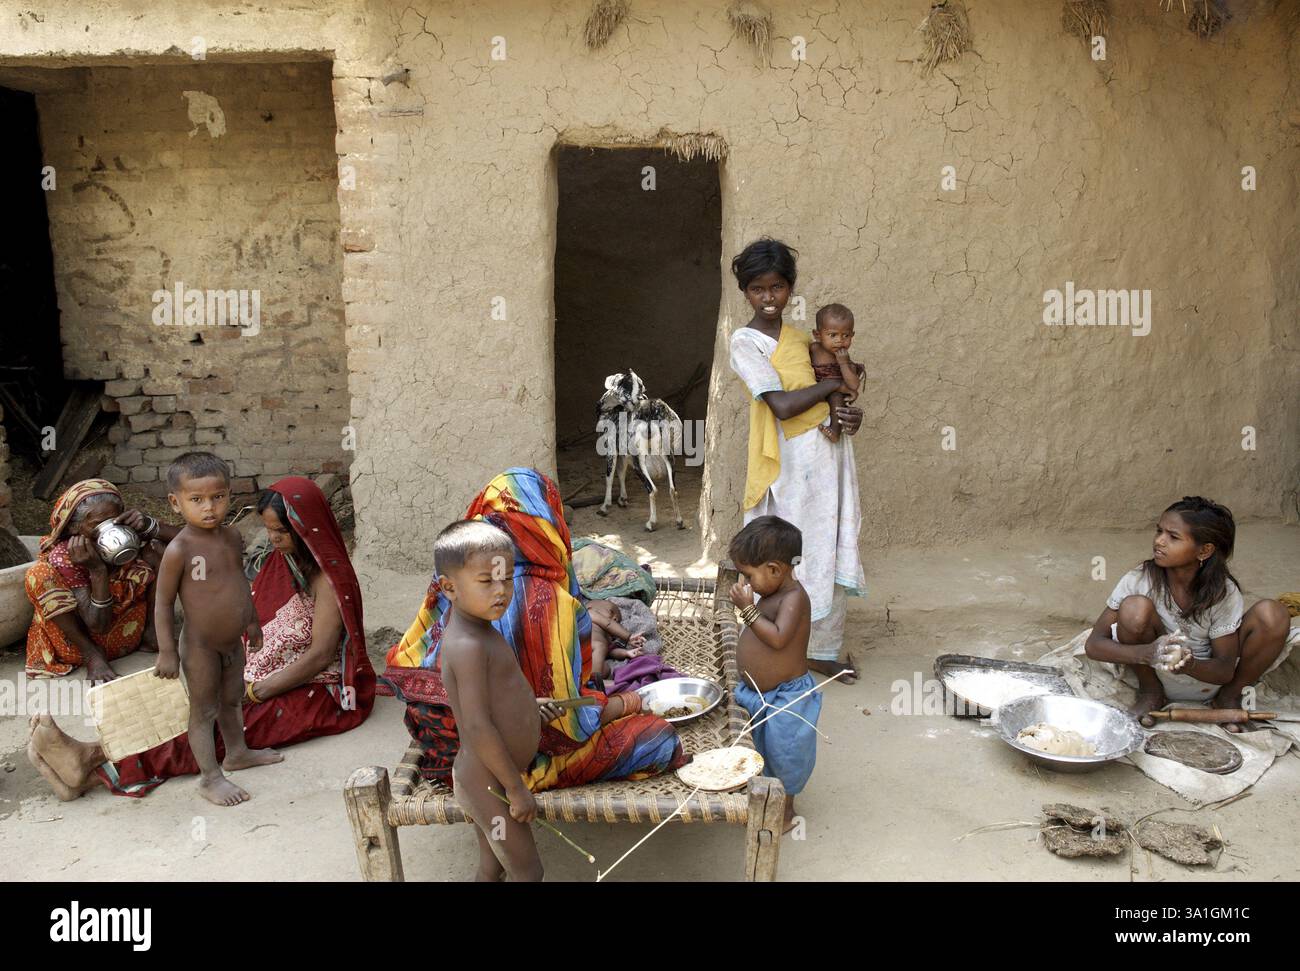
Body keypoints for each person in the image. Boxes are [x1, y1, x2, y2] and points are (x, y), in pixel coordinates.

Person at [27, 475, 376, 799]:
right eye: (269, 531)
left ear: (306, 529)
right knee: (193, 704)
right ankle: (92, 762)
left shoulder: (330, 581)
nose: (273, 540)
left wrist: (256, 690)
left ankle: (91, 763)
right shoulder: (286, 559)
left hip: (319, 689)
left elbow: (319, 655)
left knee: (224, 724)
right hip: (264, 670)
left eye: (282, 532)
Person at [384, 467, 685, 791]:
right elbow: (569, 728)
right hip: (507, 764)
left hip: (443, 748)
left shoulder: (454, 580)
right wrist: (626, 703)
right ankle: (526, 780)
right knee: (658, 739)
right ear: (548, 522)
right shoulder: (545, 601)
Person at [728, 237, 867, 684]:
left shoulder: (805, 340)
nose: (769, 298)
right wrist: (830, 392)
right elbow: (782, 405)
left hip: (829, 458)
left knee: (826, 545)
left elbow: (842, 384)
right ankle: (779, 646)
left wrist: (847, 412)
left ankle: (820, 650)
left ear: (790, 288)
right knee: (787, 552)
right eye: (757, 289)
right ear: (745, 292)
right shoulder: (744, 342)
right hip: (787, 467)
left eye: (777, 287)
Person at [1083, 496, 1293, 731]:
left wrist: (1189, 665)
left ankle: (1229, 698)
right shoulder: (1139, 579)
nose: (1159, 541)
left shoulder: (1223, 592)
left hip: (1209, 677)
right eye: (1159, 531)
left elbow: (1224, 670)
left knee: (1274, 613)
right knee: (1134, 608)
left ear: (1204, 550)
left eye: (1173, 537)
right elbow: (1093, 645)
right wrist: (1146, 653)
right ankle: (1150, 692)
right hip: (1154, 672)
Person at [154, 452, 282, 805]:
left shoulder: (232, 537)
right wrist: (167, 651)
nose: (209, 507)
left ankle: (237, 753)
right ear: (175, 503)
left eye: (218, 497)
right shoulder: (179, 549)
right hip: (200, 646)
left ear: (229, 495)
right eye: (196, 500)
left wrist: (253, 620)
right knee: (204, 709)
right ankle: (210, 778)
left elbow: (238, 582)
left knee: (232, 699)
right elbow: (163, 603)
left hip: (233, 642)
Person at [436, 519, 549, 882]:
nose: (500, 590)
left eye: (506, 578)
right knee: (528, 871)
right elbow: (476, 724)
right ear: (449, 587)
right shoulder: (467, 645)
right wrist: (515, 789)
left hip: (491, 781)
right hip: (490, 787)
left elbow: (498, 696)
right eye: (486, 581)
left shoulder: (481, 629)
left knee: (493, 864)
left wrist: (532, 709)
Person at [23, 479, 181, 684]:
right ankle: (93, 657)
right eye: (97, 523)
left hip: (128, 635)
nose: (110, 528)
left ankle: (153, 635)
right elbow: (98, 626)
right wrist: (97, 572)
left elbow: (194, 544)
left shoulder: (127, 535)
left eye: (115, 519)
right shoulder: (65, 556)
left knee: (159, 549)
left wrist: (149, 525)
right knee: (39, 574)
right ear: (75, 528)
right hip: (81, 645)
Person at [727, 516, 819, 829]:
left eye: (748, 575)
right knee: (760, 750)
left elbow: (778, 638)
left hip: (788, 698)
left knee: (786, 754)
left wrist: (747, 610)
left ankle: (785, 812)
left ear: (775, 570)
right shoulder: (769, 592)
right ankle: (761, 797)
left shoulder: (795, 598)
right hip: (758, 693)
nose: (746, 583)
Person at [809, 303, 864, 443]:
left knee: (836, 398)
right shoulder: (813, 349)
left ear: (852, 335)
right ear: (818, 335)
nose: (839, 341)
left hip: (835, 392)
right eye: (832, 335)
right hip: (814, 392)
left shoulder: (844, 356)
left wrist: (844, 363)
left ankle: (835, 431)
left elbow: (853, 385)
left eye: (846, 335)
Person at [586, 598, 647, 682]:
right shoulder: (588, 614)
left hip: (585, 664)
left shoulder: (606, 638)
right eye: (610, 612)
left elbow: (610, 652)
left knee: (606, 670)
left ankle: (592, 678)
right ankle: (594, 683)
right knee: (600, 646)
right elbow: (608, 623)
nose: (614, 620)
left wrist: (626, 653)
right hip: (579, 646)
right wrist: (629, 636)